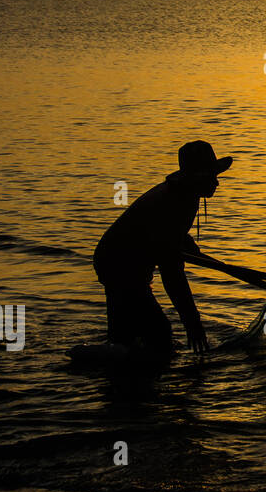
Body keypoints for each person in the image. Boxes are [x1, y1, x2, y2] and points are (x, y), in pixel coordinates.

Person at [92, 140, 231, 362]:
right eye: (210, 175)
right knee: (160, 334)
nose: (216, 182)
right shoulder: (175, 201)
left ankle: (118, 372)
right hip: (119, 265)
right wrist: (193, 323)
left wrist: (190, 248)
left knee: (125, 340)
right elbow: (171, 273)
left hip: (118, 261)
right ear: (195, 177)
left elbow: (171, 236)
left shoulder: (184, 195)